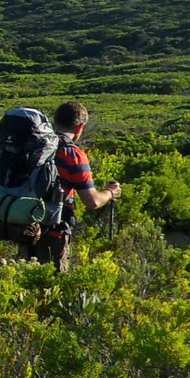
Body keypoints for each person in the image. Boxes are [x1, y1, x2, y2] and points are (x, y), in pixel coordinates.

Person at [36, 100, 122, 270]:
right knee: (51, 280)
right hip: (53, 231)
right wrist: (110, 193)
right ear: (80, 127)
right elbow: (92, 201)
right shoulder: (73, 154)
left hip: (26, 225)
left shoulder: (37, 145)